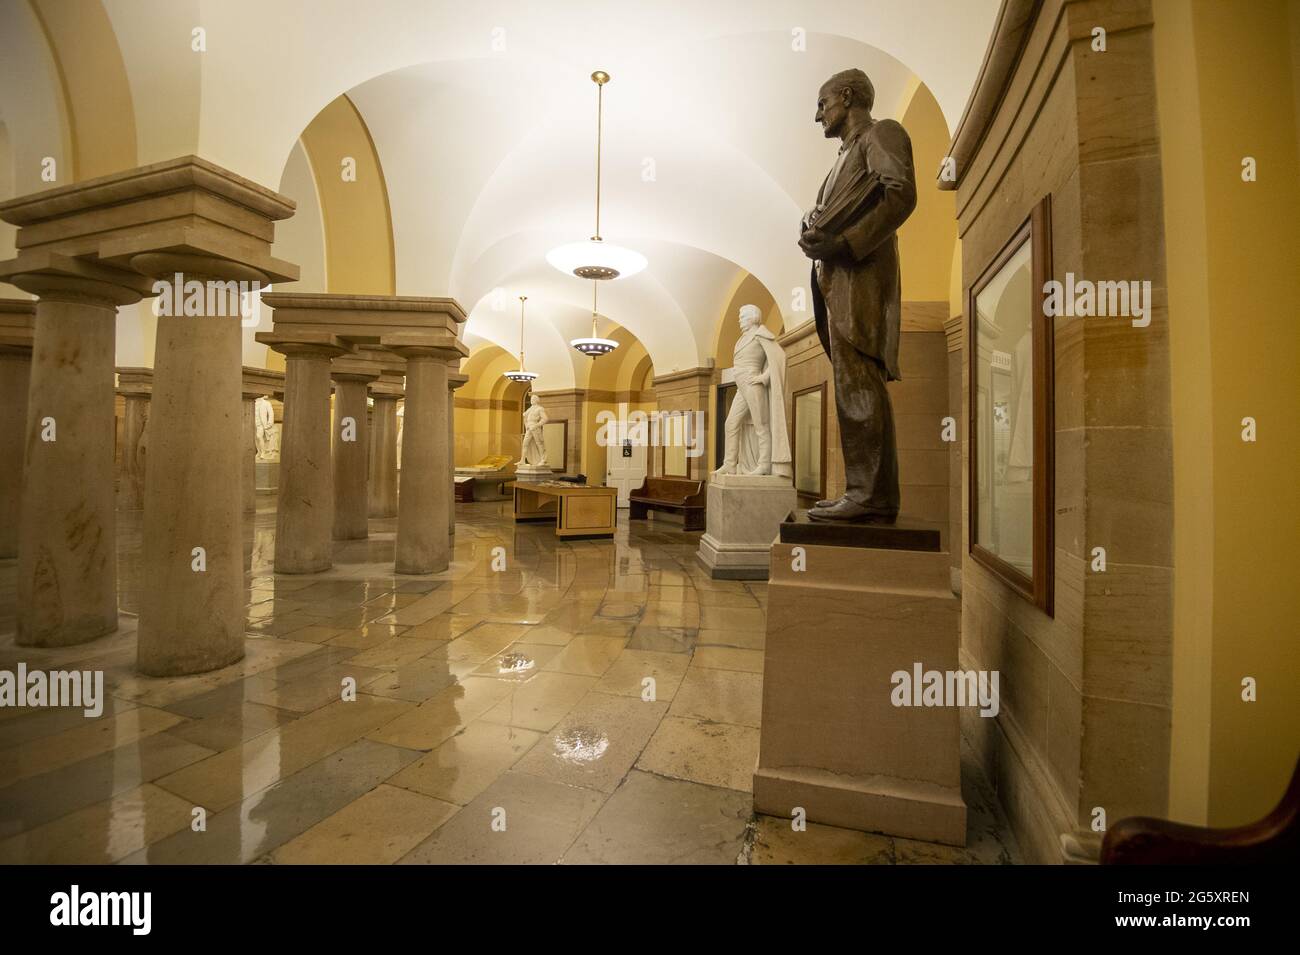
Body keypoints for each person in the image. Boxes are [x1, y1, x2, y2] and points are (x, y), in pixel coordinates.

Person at [798, 68, 917, 523]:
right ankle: (865, 492)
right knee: (851, 384)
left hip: (861, 279)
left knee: (860, 384)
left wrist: (846, 244)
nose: (818, 115)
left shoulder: (881, 134)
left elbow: (901, 195)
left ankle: (870, 497)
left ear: (847, 97)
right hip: (836, 283)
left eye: (822, 103)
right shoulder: (839, 161)